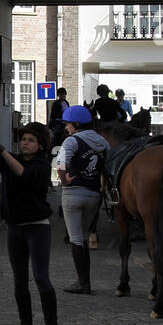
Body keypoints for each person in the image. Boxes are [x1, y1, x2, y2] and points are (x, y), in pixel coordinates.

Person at [0, 122, 60, 325]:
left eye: (31, 140)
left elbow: (22, 173)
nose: (26, 143)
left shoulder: (42, 165)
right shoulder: (12, 159)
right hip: (15, 228)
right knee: (20, 281)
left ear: (40, 145)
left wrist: (1, 149)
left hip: (37, 227)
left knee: (41, 277)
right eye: (24, 139)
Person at [55, 106, 108, 294]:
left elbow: (60, 163)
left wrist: (63, 179)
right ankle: (84, 281)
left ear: (76, 124)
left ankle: (83, 282)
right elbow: (107, 167)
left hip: (73, 194)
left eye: (68, 124)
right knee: (83, 237)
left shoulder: (72, 141)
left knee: (76, 238)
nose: (66, 128)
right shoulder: (102, 142)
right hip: (94, 195)